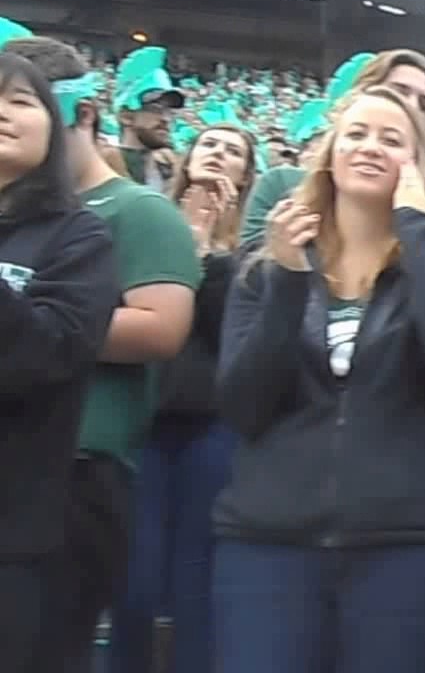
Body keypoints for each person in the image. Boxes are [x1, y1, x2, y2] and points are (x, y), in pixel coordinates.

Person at [213, 86, 425, 673]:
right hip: (267, 546)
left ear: (416, 166)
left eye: (393, 140)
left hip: (404, 548)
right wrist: (288, 284)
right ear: (331, 151)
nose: (370, 147)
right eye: (357, 133)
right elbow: (243, 406)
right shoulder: (266, 271)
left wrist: (418, 229)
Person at [5, 34, 203, 673]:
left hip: (74, 469)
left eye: (20, 99)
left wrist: (54, 312)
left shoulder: (130, 212)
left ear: (74, 114)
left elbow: (160, 328)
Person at [109, 122, 258, 673]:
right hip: (140, 424)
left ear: (246, 176)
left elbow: (231, 331)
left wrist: (202, 251)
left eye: (234, 151)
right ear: (189, 157)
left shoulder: (256, 252)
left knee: (199, 582)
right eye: (211, 145)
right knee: (134, 581)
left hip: (212, 431)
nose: (220, 155)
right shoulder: (143, 226)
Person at [0, 49, 118, 673]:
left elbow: (50, 352)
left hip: (17, 530)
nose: (2, 112)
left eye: (21, 100)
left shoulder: (78, 238)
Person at [238, 49, 425, 258]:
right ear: (357, 97)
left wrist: (418, 229)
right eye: (399, 91)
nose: (412, 106)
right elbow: (246, 288)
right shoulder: (281, 185)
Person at [106, 46, 185, 193]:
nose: (166, 119)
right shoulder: (102, 170)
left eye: (169, 111)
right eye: (156, 109)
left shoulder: (171, 172)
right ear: (126, 116)